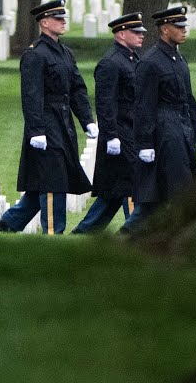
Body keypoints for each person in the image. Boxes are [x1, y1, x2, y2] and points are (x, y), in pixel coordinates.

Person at [0, 0, 97, 235]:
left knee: (47, 176)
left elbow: (77, 90)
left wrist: (87, 120)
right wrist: (36, 130)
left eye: (64, 18)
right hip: (46, 122)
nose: (63, 22)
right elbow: (31, 96)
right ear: (44, 22)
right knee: (53, 178)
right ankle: (53, 231)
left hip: (63, 124)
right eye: (57, 18)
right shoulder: (35, 55)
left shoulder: (65, 53)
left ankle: (9, 222)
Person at [123, 6, 196, 233]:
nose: (184, 30)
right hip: (164, 131)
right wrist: (145, 143)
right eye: (178, 27)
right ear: (165, 29)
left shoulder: (179, 59)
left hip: (182, 129)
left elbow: (188, 98)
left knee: (159, 197)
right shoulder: (151, 62)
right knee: (177, 191)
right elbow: (143, 106)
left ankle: (131, 237)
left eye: (184, 26)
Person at [72, 12, 145, 234]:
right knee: (132, 183)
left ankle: (83, 232)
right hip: (121, 134)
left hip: (133, 131)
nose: (141, 36)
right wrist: (111, 136)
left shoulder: (132, 59)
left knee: (113, 191)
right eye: (136, 32)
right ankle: (135, 232)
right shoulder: (111, 63)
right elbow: (105, 103)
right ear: (122, 34)